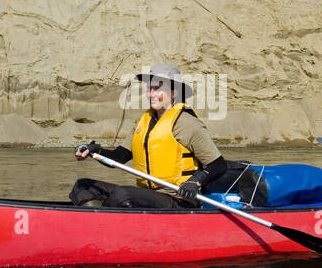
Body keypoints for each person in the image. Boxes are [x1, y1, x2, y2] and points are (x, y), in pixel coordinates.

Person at [70, 64, 235, 209]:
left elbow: (218, 165)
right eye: (149, 88)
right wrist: (95, 151)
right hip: (146, 196)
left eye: (157, 88)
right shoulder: (145, 121)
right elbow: (118, 157)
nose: (150, 94)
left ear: (173, 91)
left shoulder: (186, 123)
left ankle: (114, 223)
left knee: (121, 195)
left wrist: (195, 181)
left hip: (178, 200)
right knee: (83, 186)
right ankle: (98, 224)